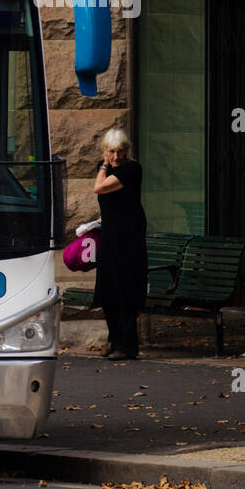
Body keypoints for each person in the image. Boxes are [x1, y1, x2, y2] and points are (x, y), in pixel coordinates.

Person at [91, 128, 148, 360]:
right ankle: (113, 338)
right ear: (105, 150)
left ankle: (128, 345)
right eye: (111, 151)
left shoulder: (132, 169)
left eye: (120, 151)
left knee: (126, 289)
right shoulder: (103, 168)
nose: (116, 156)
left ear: (127, 151)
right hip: (109, 235)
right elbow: (108, 200)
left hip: (129, 236)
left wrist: (104, 167)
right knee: (108, 288)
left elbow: (99, 188)